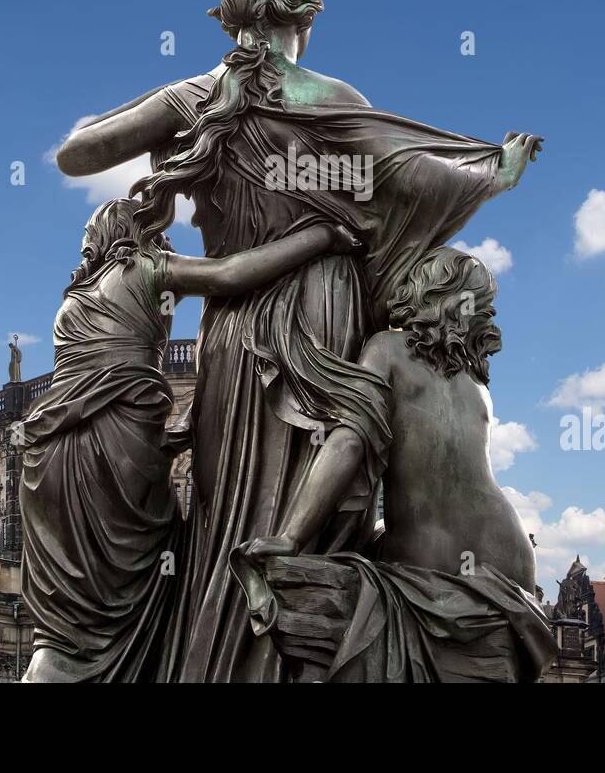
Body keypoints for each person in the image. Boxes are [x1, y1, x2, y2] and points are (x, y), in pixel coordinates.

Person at [56, 0, 540, 681]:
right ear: (304, 17)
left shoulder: (198, 98)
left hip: (238, 323)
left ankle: (218, 659)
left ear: (234, 13)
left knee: (230, 509)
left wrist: (186, 100)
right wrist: (490, 171)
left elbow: (76, 154)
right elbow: (417, 175)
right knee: (332, 504)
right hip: (326, 313)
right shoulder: (333, 98)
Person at [19, 197, 363, 683]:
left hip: (48, 458)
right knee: (141, 589)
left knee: (71, 624)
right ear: (139, 235)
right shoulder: (141, 267)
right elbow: (228, 274)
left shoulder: (76, 295)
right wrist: (320, 237)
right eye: (159, 233)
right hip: (112, 452)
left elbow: (104, 364)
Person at [235, 246, 554, 682]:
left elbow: (349, 443)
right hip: (513, 567)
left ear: (426, 290)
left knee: (340, 644)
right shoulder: (476, 382)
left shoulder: (388, 349)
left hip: (431, 564)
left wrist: (290, 536)